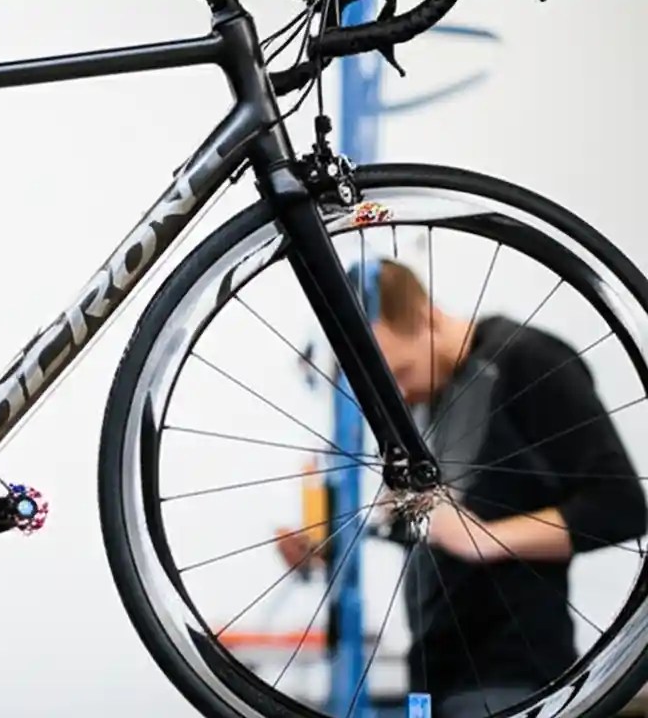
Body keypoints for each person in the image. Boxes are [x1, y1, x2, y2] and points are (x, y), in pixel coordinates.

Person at [275, 259, 647, 717]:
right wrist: (336, 544)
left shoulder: (527, 359)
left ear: (429, 317)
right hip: (431, 679)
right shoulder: (427, 399)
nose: (398, 395)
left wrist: (485, 541)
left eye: (402, 373)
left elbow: (622, 506)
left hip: (515, 681)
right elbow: (446, 528)